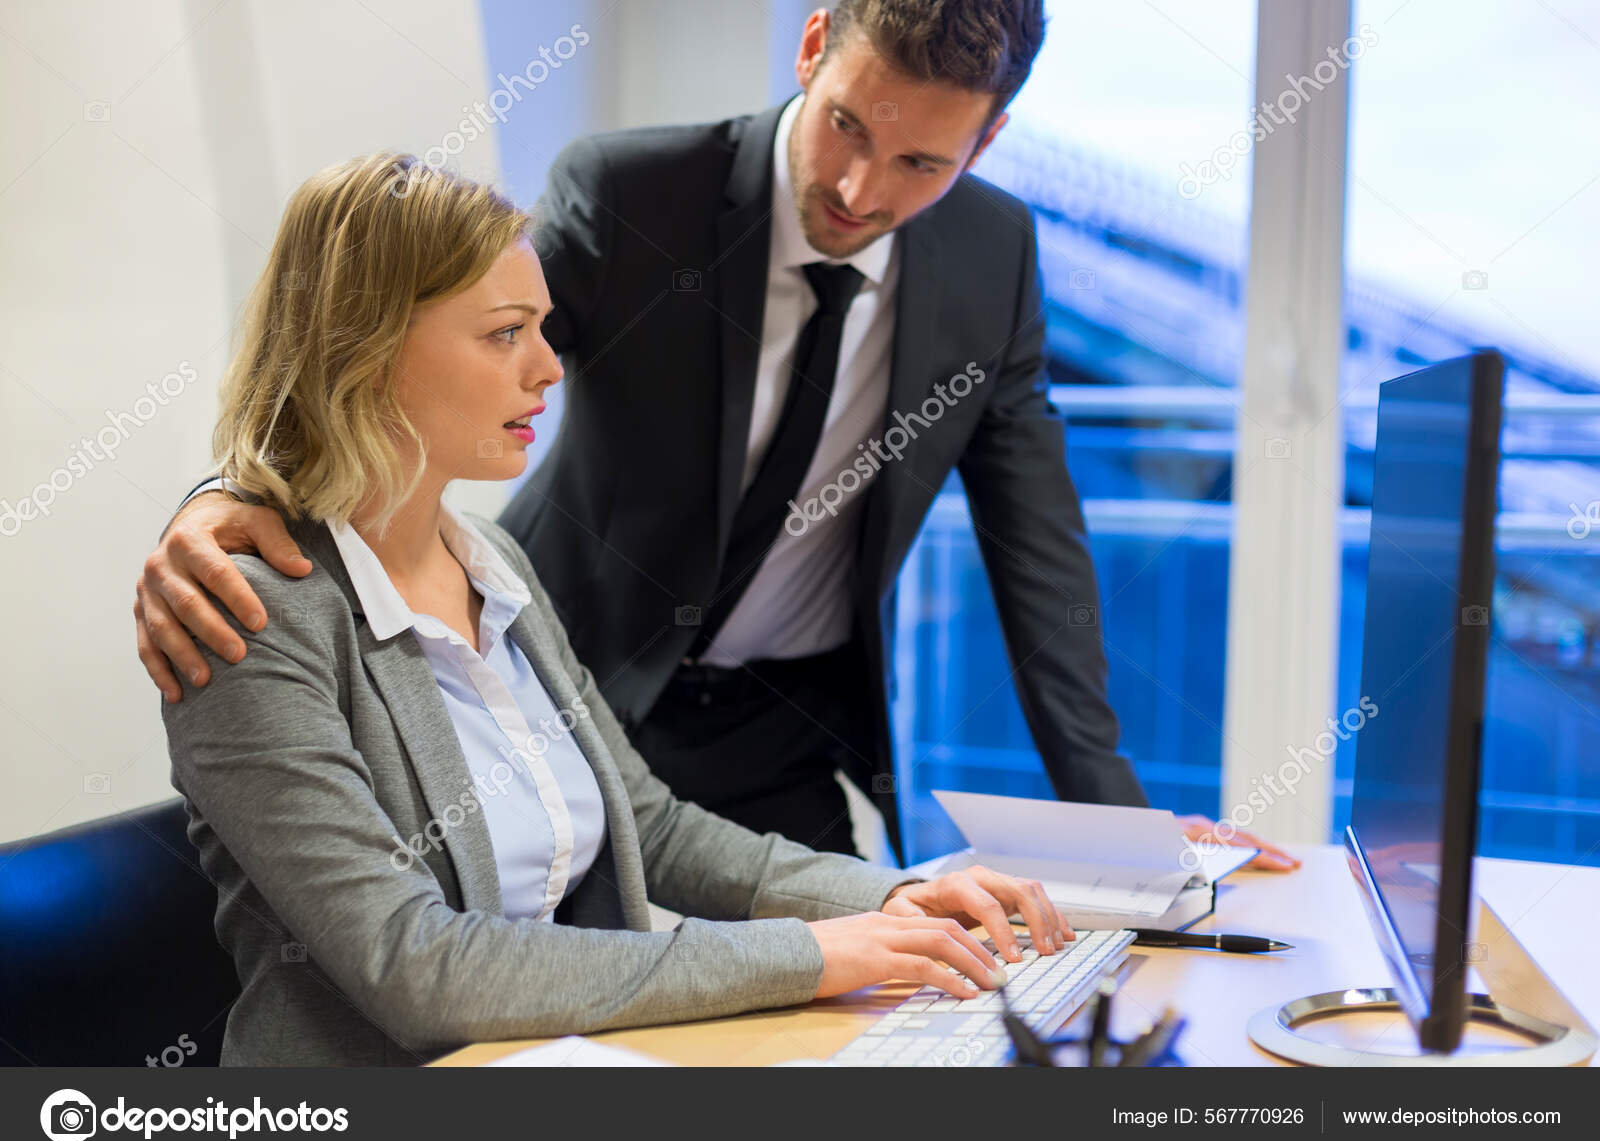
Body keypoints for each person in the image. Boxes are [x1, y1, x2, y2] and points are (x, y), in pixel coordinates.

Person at [137, 0, 1296, 871]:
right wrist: (222, 495)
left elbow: (1038, 551)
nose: (855, 186)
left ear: (985, 146)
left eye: (918, 164)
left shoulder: (992, 260)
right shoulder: (639, 194)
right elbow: (424, 361)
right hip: (568, 698)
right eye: (846, 124)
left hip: (781, 729)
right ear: (811, 45)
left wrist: (1123, 838)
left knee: (860, 1012)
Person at [164, 152, 1078, 1067]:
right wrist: (807, 954)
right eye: (504, 333)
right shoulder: (255, 613)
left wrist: (882, 898)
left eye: (544, 329)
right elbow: (417, 965)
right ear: (366, 346)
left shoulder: (493, 561)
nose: (547, 368)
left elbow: (652, 824)